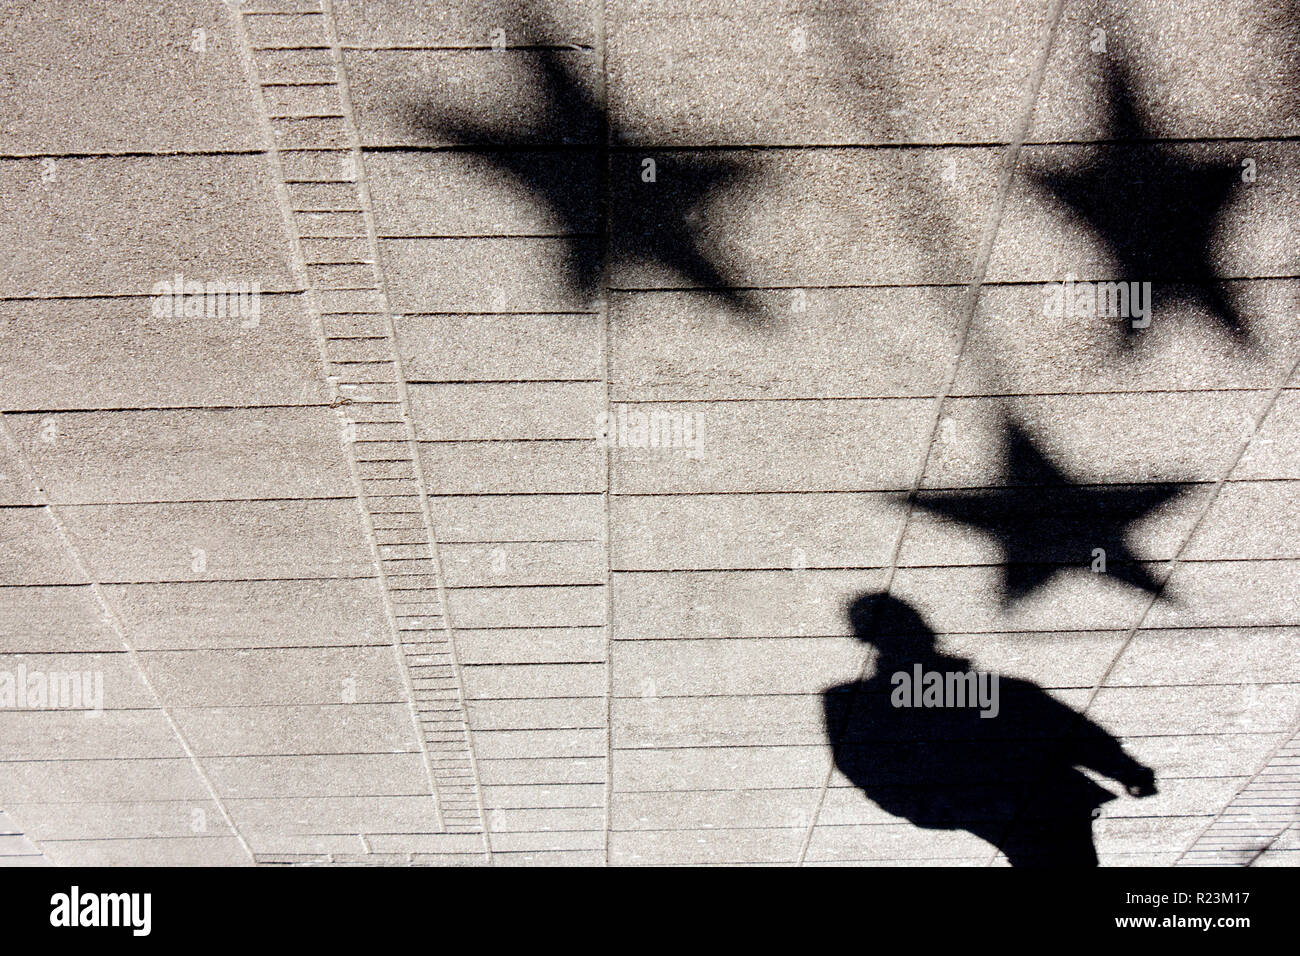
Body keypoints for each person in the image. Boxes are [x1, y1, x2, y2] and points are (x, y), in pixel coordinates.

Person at [824, 592, 1157, 866]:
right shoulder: (990, 689)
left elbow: (866, 770)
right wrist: (1126, 769)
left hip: (993, 805)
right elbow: (1064, 729)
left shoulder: (855, 703)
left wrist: (937, 809)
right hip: (1035, 801)